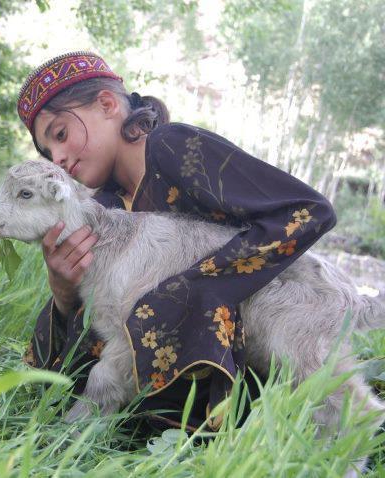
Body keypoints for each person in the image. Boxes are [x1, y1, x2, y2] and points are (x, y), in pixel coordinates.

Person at [17, 51, 336, 431]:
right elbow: (67, 368)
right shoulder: (100, 211)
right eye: (48, 153)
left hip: (266, 358)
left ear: (106, 104)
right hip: (183, 421)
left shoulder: (172, 147)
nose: (59, 158)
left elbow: (307, 212)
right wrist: (63, 292)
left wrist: (191, 288)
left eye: (61, 135)